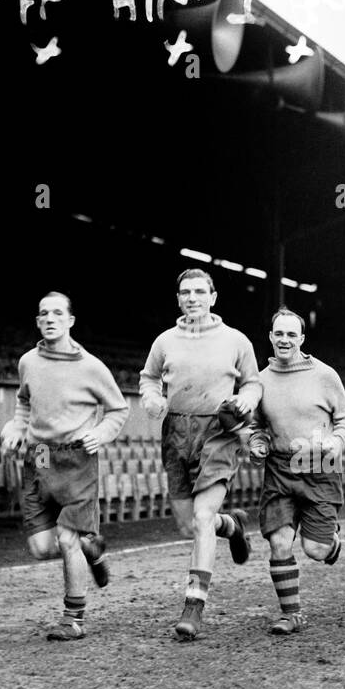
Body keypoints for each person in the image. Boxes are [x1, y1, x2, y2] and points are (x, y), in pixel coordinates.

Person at [139, 268, 261, 641]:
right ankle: (233, 525)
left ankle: (194, 605)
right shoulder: (164, 341)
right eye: (185, 293)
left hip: (218, 432)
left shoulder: (235, 340)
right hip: (176, 431)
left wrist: (246, 399)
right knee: (188, 525)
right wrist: (152, 396)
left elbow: (253, 381)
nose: (192, 298)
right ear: (178, 299)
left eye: (199, 292)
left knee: (203, 515)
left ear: (213, 296)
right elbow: (148, 377)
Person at [0, 291, 130, 641]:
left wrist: (101, 433)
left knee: (67, 536)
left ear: (70, 320)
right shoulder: (27, 361)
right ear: (38, 321)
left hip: (77, 459)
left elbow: (118, 409)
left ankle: (74, 619)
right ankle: (91, 550)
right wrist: (15, 428)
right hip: (40, 455)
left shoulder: (91, 366)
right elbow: (24, 403)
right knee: (42, 548)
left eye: (58, 313)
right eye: (44, 313)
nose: (50, 318)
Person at [247, 307, 345, 635]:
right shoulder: (259, 381)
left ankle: (330, 541)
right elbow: (255, 425)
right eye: (279, 334)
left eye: (291, 334)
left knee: (315, 550)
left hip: (320, 467)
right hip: (279, 469)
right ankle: (290, 613)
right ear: (270, 337)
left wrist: (336, 443)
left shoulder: (325, 375)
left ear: (302, 339)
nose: (284, 340)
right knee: (280, 542)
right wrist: (256, 443)